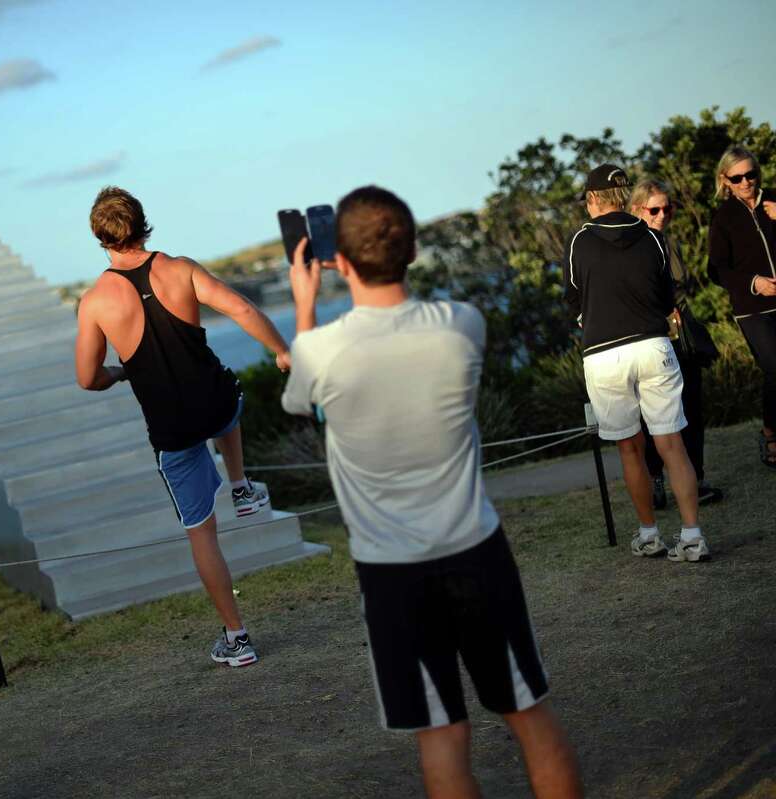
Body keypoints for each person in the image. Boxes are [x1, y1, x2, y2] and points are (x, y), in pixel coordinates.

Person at [283, 186, 583, 798]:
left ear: (339, 258)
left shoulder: (320, 350)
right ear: (413, 248)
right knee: (528, 716)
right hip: (476, 548)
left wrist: (304, 306)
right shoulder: (462, 325)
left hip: (392, 574)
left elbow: (303, 400)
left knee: (442, 737)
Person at [75, 186, 291, 667]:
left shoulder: (95, 302)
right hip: (216, 406)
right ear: (143, 222)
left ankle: (236, 638)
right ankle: (240, 486)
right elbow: (242, 309)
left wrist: (123, 371)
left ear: (99, 236)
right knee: (226, 391)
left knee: (202, 536)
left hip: (172, 431)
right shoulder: (181, 268)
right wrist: (281, 349)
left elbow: (87, 378)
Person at [564, 164, 709, 563]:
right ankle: (693, 536)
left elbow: (573, 300)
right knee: (672, 443)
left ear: (593, 199)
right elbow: (667, 299)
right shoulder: (652, 237)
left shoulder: (579, 241)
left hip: (604, 353)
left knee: (630, 448)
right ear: (626, 196)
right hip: (653, 345)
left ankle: (649, 535)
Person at [629, 178, 724, 507]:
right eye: (653, 209)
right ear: (636, 210)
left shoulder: (669, 242)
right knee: (652, 411)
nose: (661, 215)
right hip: (651, 337)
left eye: (667, 208)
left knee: (691, 407)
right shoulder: (633, 247)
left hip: (680, 334)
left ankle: (694, 478)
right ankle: (655, 478)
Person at [707, 145, 776, 469]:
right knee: (774, 368)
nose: (746, 182)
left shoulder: (774, 200)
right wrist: (754, 282)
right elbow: (716, 269)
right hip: (753, 309)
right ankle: (771, 433)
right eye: (738, 177)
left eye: (751, 174)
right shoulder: (723, 217)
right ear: (725, 179)